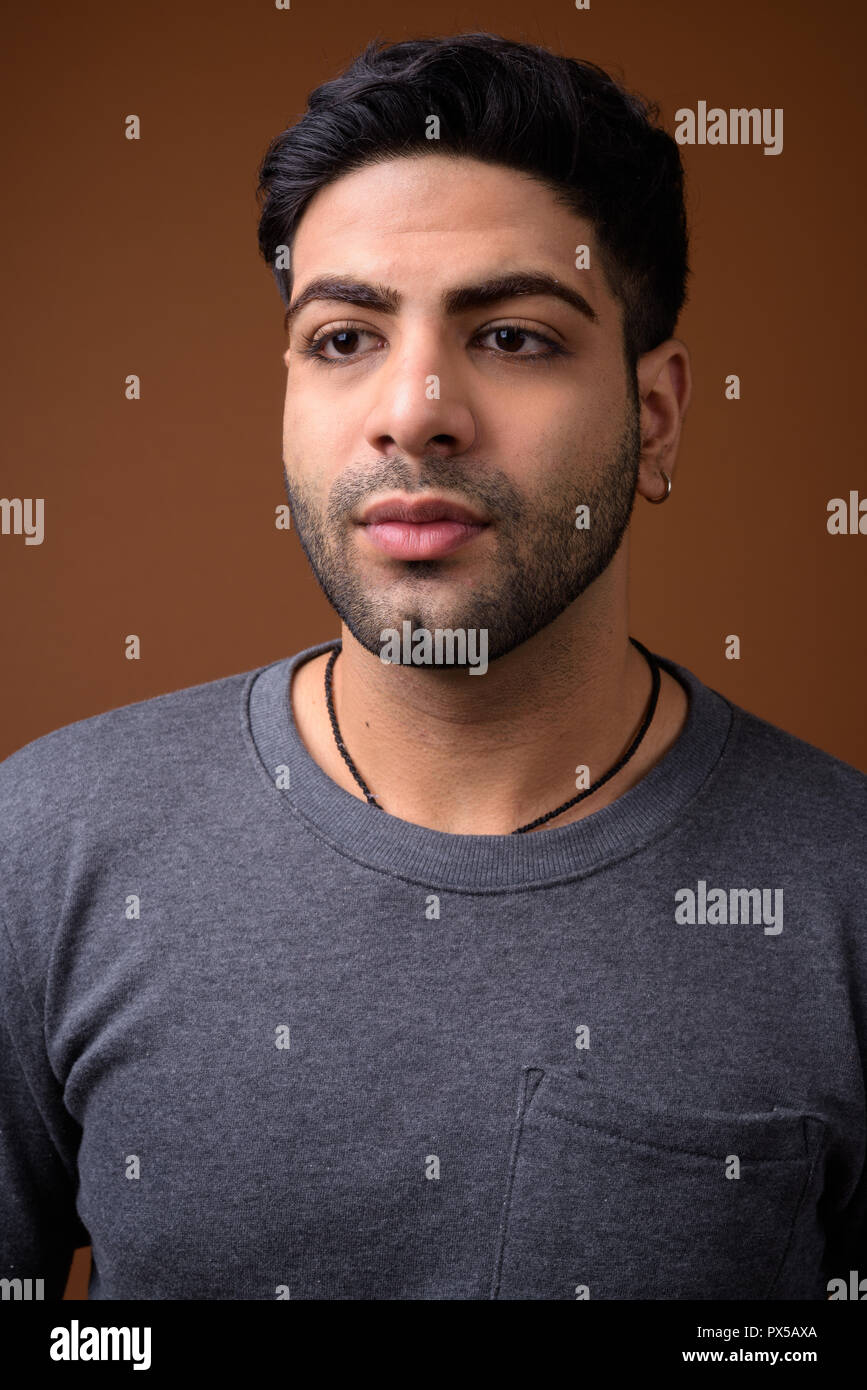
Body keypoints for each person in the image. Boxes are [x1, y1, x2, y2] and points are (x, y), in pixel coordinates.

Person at [1, 32, 864, 1302]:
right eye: (344, 338)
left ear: (659, 417)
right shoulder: (45, 846)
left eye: (512, 337)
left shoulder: (841, 895)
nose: (416, 408)